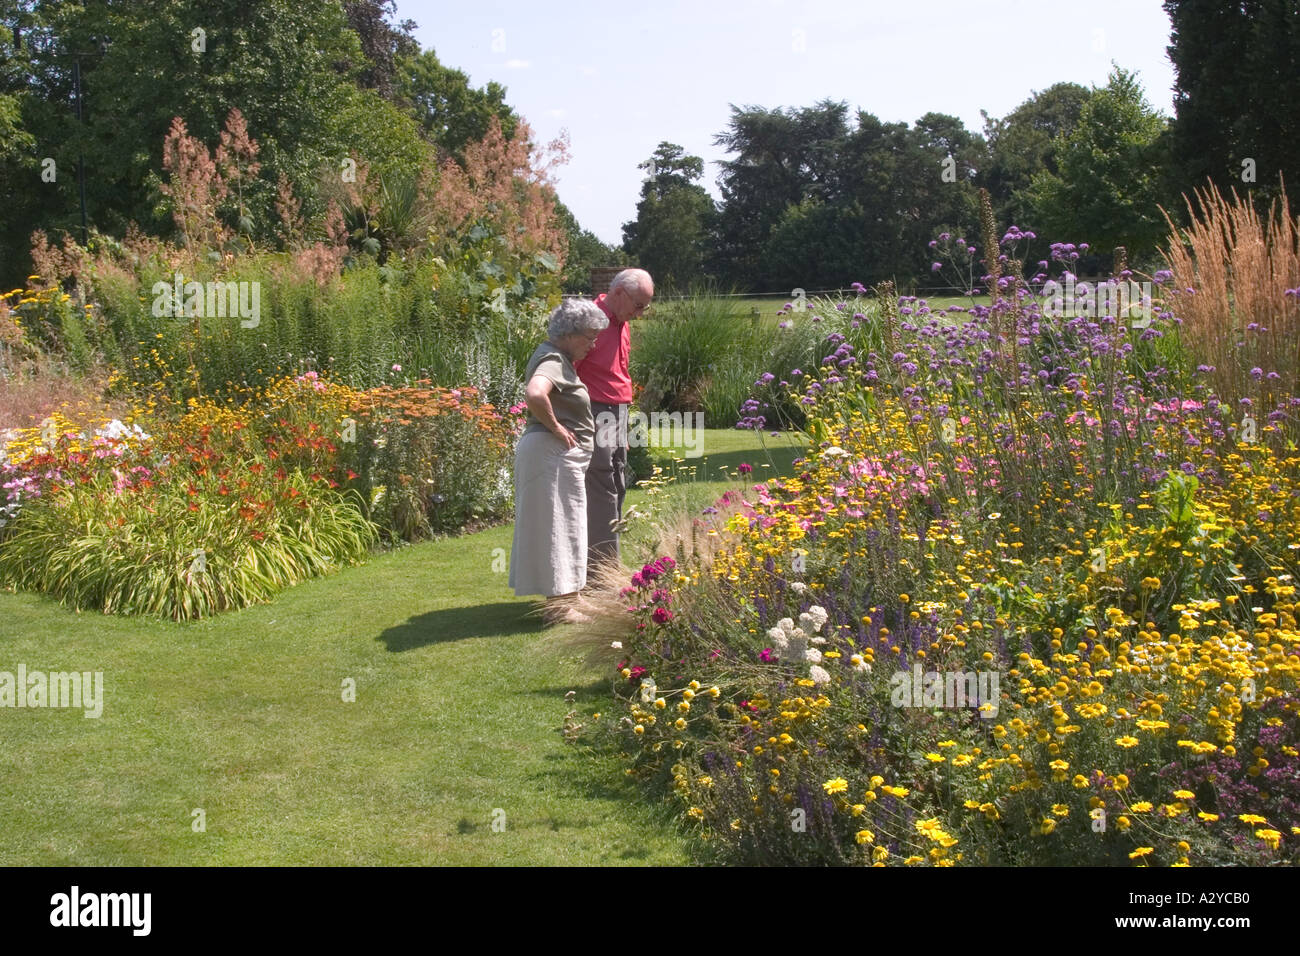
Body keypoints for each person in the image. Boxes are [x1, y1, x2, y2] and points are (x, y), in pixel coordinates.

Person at [509, 298, 609, 623]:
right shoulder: (552, 359)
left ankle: (572, 597)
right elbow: (536, 392)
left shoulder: (559, 357)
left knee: (570, 525)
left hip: (555, 458)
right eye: (589, 337)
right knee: (557, 526)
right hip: (549, 456)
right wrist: (556, 427)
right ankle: (558, 608)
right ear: (569, 333)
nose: (593, 345)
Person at [574, 268, 654, 576]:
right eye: (638, 305)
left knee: (618, 483)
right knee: (602, 486)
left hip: (616, 412)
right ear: (619, 293)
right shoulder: (591, 321)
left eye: (645, 306)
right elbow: (568, 372)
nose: (641, 313)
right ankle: (602, 573)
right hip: (594, 410)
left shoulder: (621, 322)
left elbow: (619, 373)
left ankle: (602, 566)